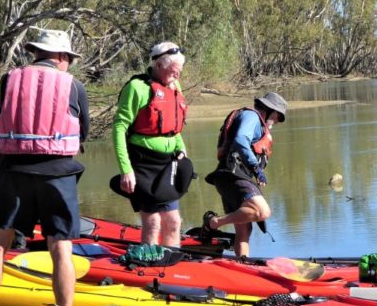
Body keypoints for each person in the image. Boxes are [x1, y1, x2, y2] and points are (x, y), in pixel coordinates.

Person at [0, 29, 90, 306]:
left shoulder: (9, 79)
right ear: (62, 57)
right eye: (69, 59)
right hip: (58, 173)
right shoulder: (74, 86)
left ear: (36, 52)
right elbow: (83, 132)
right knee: (60, 247)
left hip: (14, 171)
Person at [111, 42, 193, 247]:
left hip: (168, 163)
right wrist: (125, 169)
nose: (178, 76)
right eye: (174, 72)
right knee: (153, 221)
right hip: (143, 163)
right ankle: (149, 265)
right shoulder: (136, 88)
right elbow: (119, 129)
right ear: (159, 65)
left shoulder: (175, 86)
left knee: (173, 221)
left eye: (180, 72)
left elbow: (173, 128)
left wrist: (180, 147)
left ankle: (169, 265)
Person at [203, 92, 287, 258]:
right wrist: (256, 168)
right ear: (269, 110)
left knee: (244, 229)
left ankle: (242, 264)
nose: (277, 121)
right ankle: (213, 223)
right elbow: (241, 139)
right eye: (278, 116)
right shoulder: (251, 117)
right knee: (262, 211)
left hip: (229, 177)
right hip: (232, 175)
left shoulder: (255, 121)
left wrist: (256, 172)